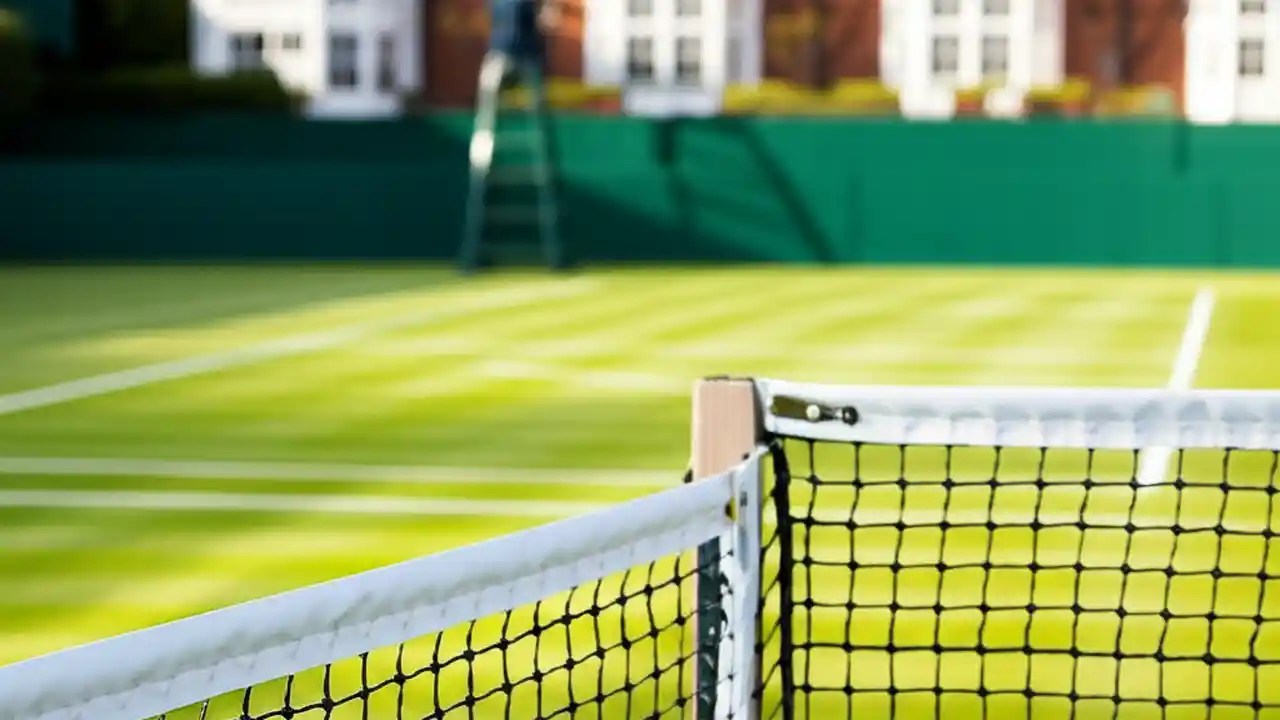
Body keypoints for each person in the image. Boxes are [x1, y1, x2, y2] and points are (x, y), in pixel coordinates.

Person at [481, 0, 565, 99]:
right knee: (489, 84)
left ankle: (538, 113)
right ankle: (486, 114)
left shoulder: (530, 3)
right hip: (502, 51)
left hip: (526, 53)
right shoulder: (498, 3)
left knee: (537, 92)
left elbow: (546, 21)